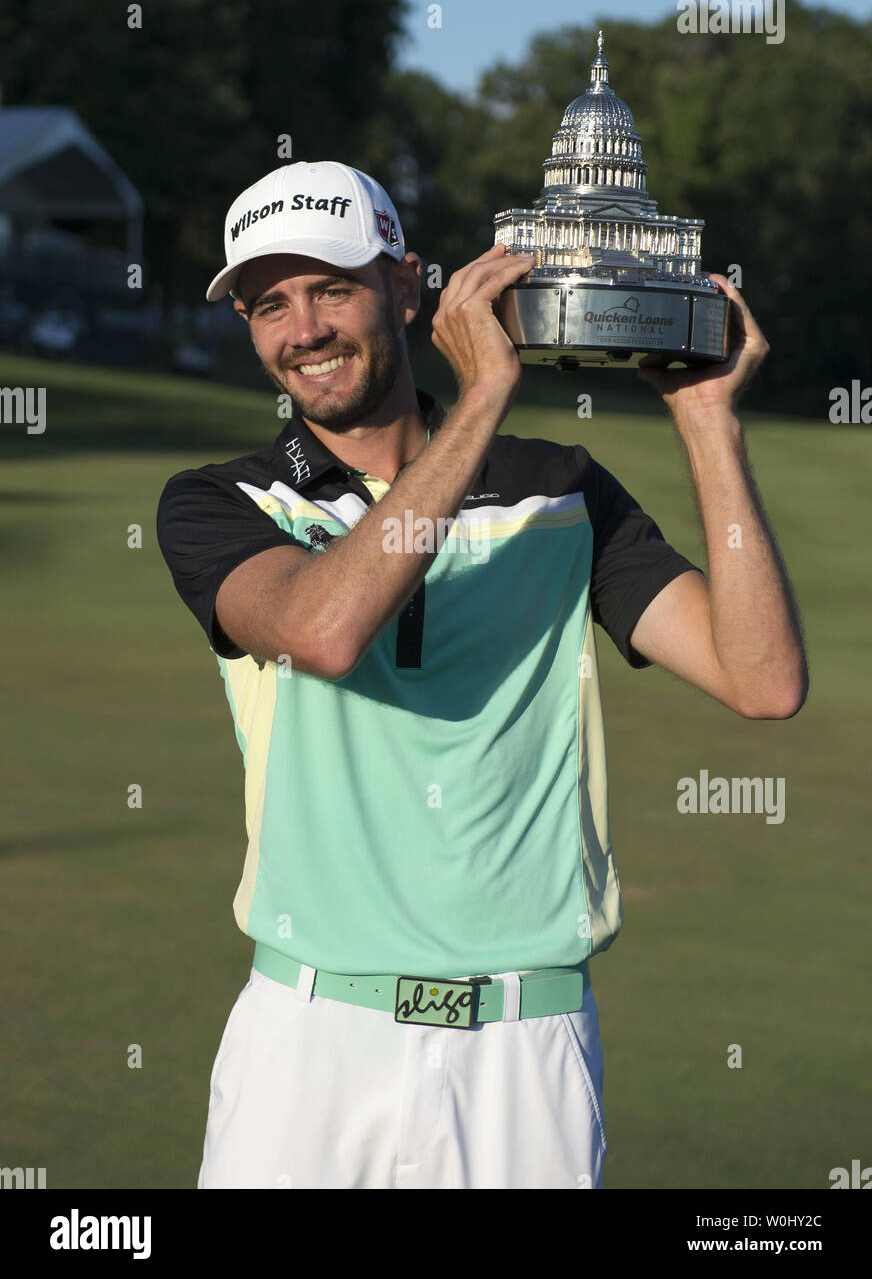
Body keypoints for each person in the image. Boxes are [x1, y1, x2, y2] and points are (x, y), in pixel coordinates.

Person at [156, 160, 807, 1189]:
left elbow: (760, 678)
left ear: (408, 289)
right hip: (305, 1041)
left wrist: (704, 419)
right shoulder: (220, 499)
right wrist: (481, 400)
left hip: (522, 1049)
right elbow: (321, 630)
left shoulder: (560, 492)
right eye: (268, 303)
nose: (304, 329)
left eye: (332, 288)